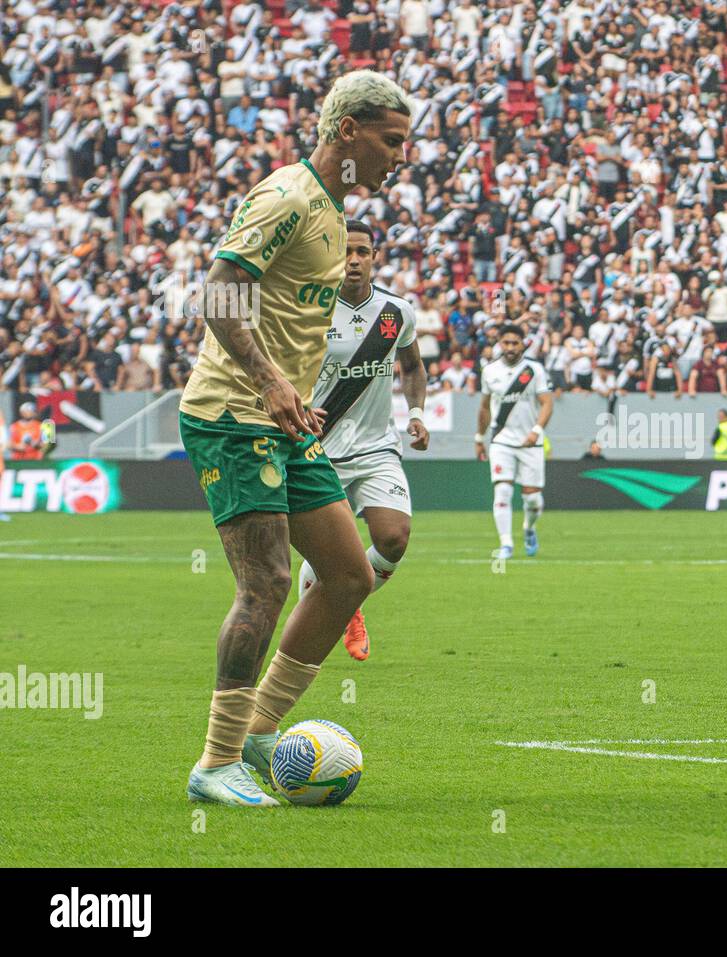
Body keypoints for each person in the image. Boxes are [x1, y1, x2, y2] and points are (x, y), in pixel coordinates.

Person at [176, 70, 412, 808]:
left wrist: (290, 394)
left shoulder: (336, 214)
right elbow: (218, 290)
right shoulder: (286, 196)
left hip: (286, 423)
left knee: (349, 573)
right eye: (390, 140)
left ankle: (257, 732)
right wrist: (272, 379)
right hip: (233, 414)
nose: (399, 157)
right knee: (268, 581)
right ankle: (214, 764)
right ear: (348, 131)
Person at [297, 221, 430, 662]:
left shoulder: (396, 313)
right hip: (319, 449)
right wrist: (297, 407)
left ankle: (349, 605)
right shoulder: (311, 311)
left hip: (375, 446)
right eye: (346, 251)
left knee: (394, 538)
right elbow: (285, 369)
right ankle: (331, 621)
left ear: (375, 257)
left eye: (362, 252)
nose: (354, 260)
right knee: (329, 551)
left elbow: (412, 367)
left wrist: (416, 414)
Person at [476, 323, 553, 559]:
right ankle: (506, 544)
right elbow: (484, 407)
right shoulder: (489, 371)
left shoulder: (534, 370)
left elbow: (547, 403)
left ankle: (529, 528)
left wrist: (537, 430)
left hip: (531, 442)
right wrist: (480, 437)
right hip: (501, 440)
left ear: (523, 344)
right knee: (502, 492)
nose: (510, 347)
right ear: (499, 343)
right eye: (506, 342)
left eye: (515, 343)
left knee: (532, 499)